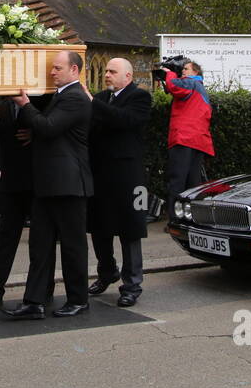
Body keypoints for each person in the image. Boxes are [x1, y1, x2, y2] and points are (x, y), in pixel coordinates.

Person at [4, 51, 93, 320]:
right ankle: (35, 300)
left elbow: (49, 127)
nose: (52, 72)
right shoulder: (61, 95)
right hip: (47, 183)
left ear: (75, 70)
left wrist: (24, 104)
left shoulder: (76, 97)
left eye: (57, 68)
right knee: (39, 244)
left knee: (72, 245)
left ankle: (78, 299)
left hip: (68, 183)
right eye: (52, 68)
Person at [86, 58, 151, 307]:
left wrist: (93, 104)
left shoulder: (140, 98)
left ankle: (132, 284)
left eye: (112, 71)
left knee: (129, 229)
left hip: (128, 175)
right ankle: (107, 272)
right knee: (98, 227)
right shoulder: (101, 98)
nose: (107, 75)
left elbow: (124, 121)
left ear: (128, 76)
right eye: (106, 71)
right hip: (100, 173)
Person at [0, 95, 36, 308]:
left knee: (39, 243)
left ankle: (38, 294)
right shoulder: (4, 103)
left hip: (38, 180)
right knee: (5, 240)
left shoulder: (44, 98)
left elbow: (53, 128)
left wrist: (36, 133)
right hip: (11, 181)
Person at [158, 58, 214, 211]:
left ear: (195, 72)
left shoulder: (190, 83)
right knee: (193, 183)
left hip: (184, 138)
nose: (182, 71)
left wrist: (169, 74)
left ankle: (175, 218)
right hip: (198, 140)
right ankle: (192, 217)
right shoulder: (200, 88)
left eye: (186, 69)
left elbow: (174, 86)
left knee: (177, 181)